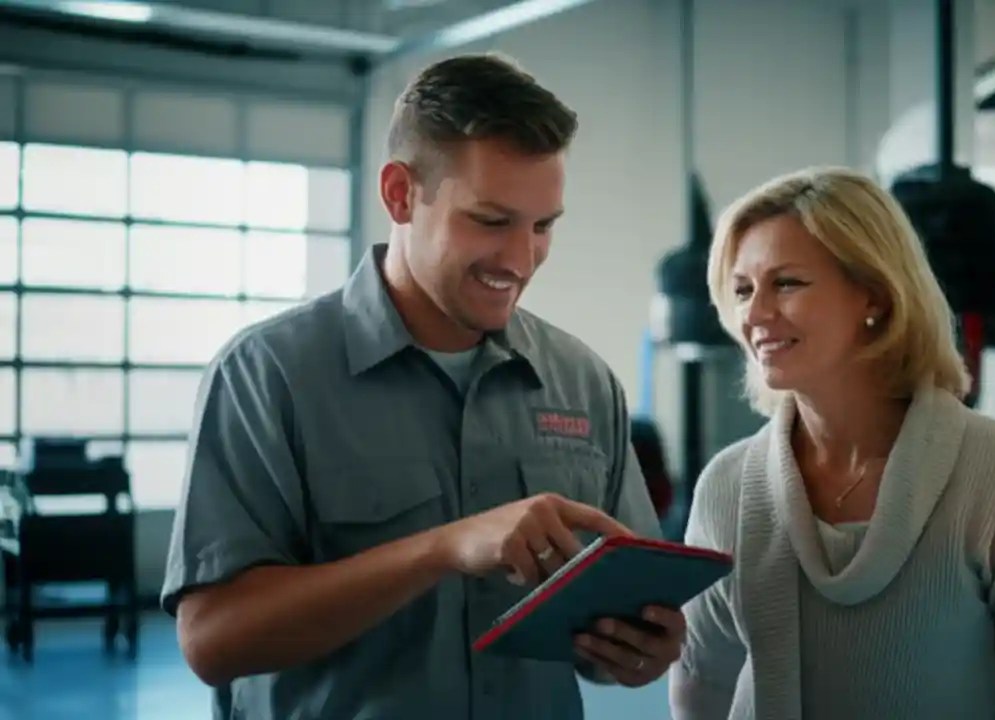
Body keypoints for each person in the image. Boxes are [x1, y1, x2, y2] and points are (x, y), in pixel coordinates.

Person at [162, 53, 685, 720]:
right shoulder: (268, 376)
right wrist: (442, 549)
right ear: (400, 194)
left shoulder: (583, 385)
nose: (522, 260)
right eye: (491, 221)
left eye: (544, 226)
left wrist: (637, 651)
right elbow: (212, 640)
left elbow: (615, 633)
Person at [669, 167, 995, 719]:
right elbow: (699, 681)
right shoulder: (728, 485)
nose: (754, 314)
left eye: (786, 283)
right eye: (742, 290)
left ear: (873, 295)